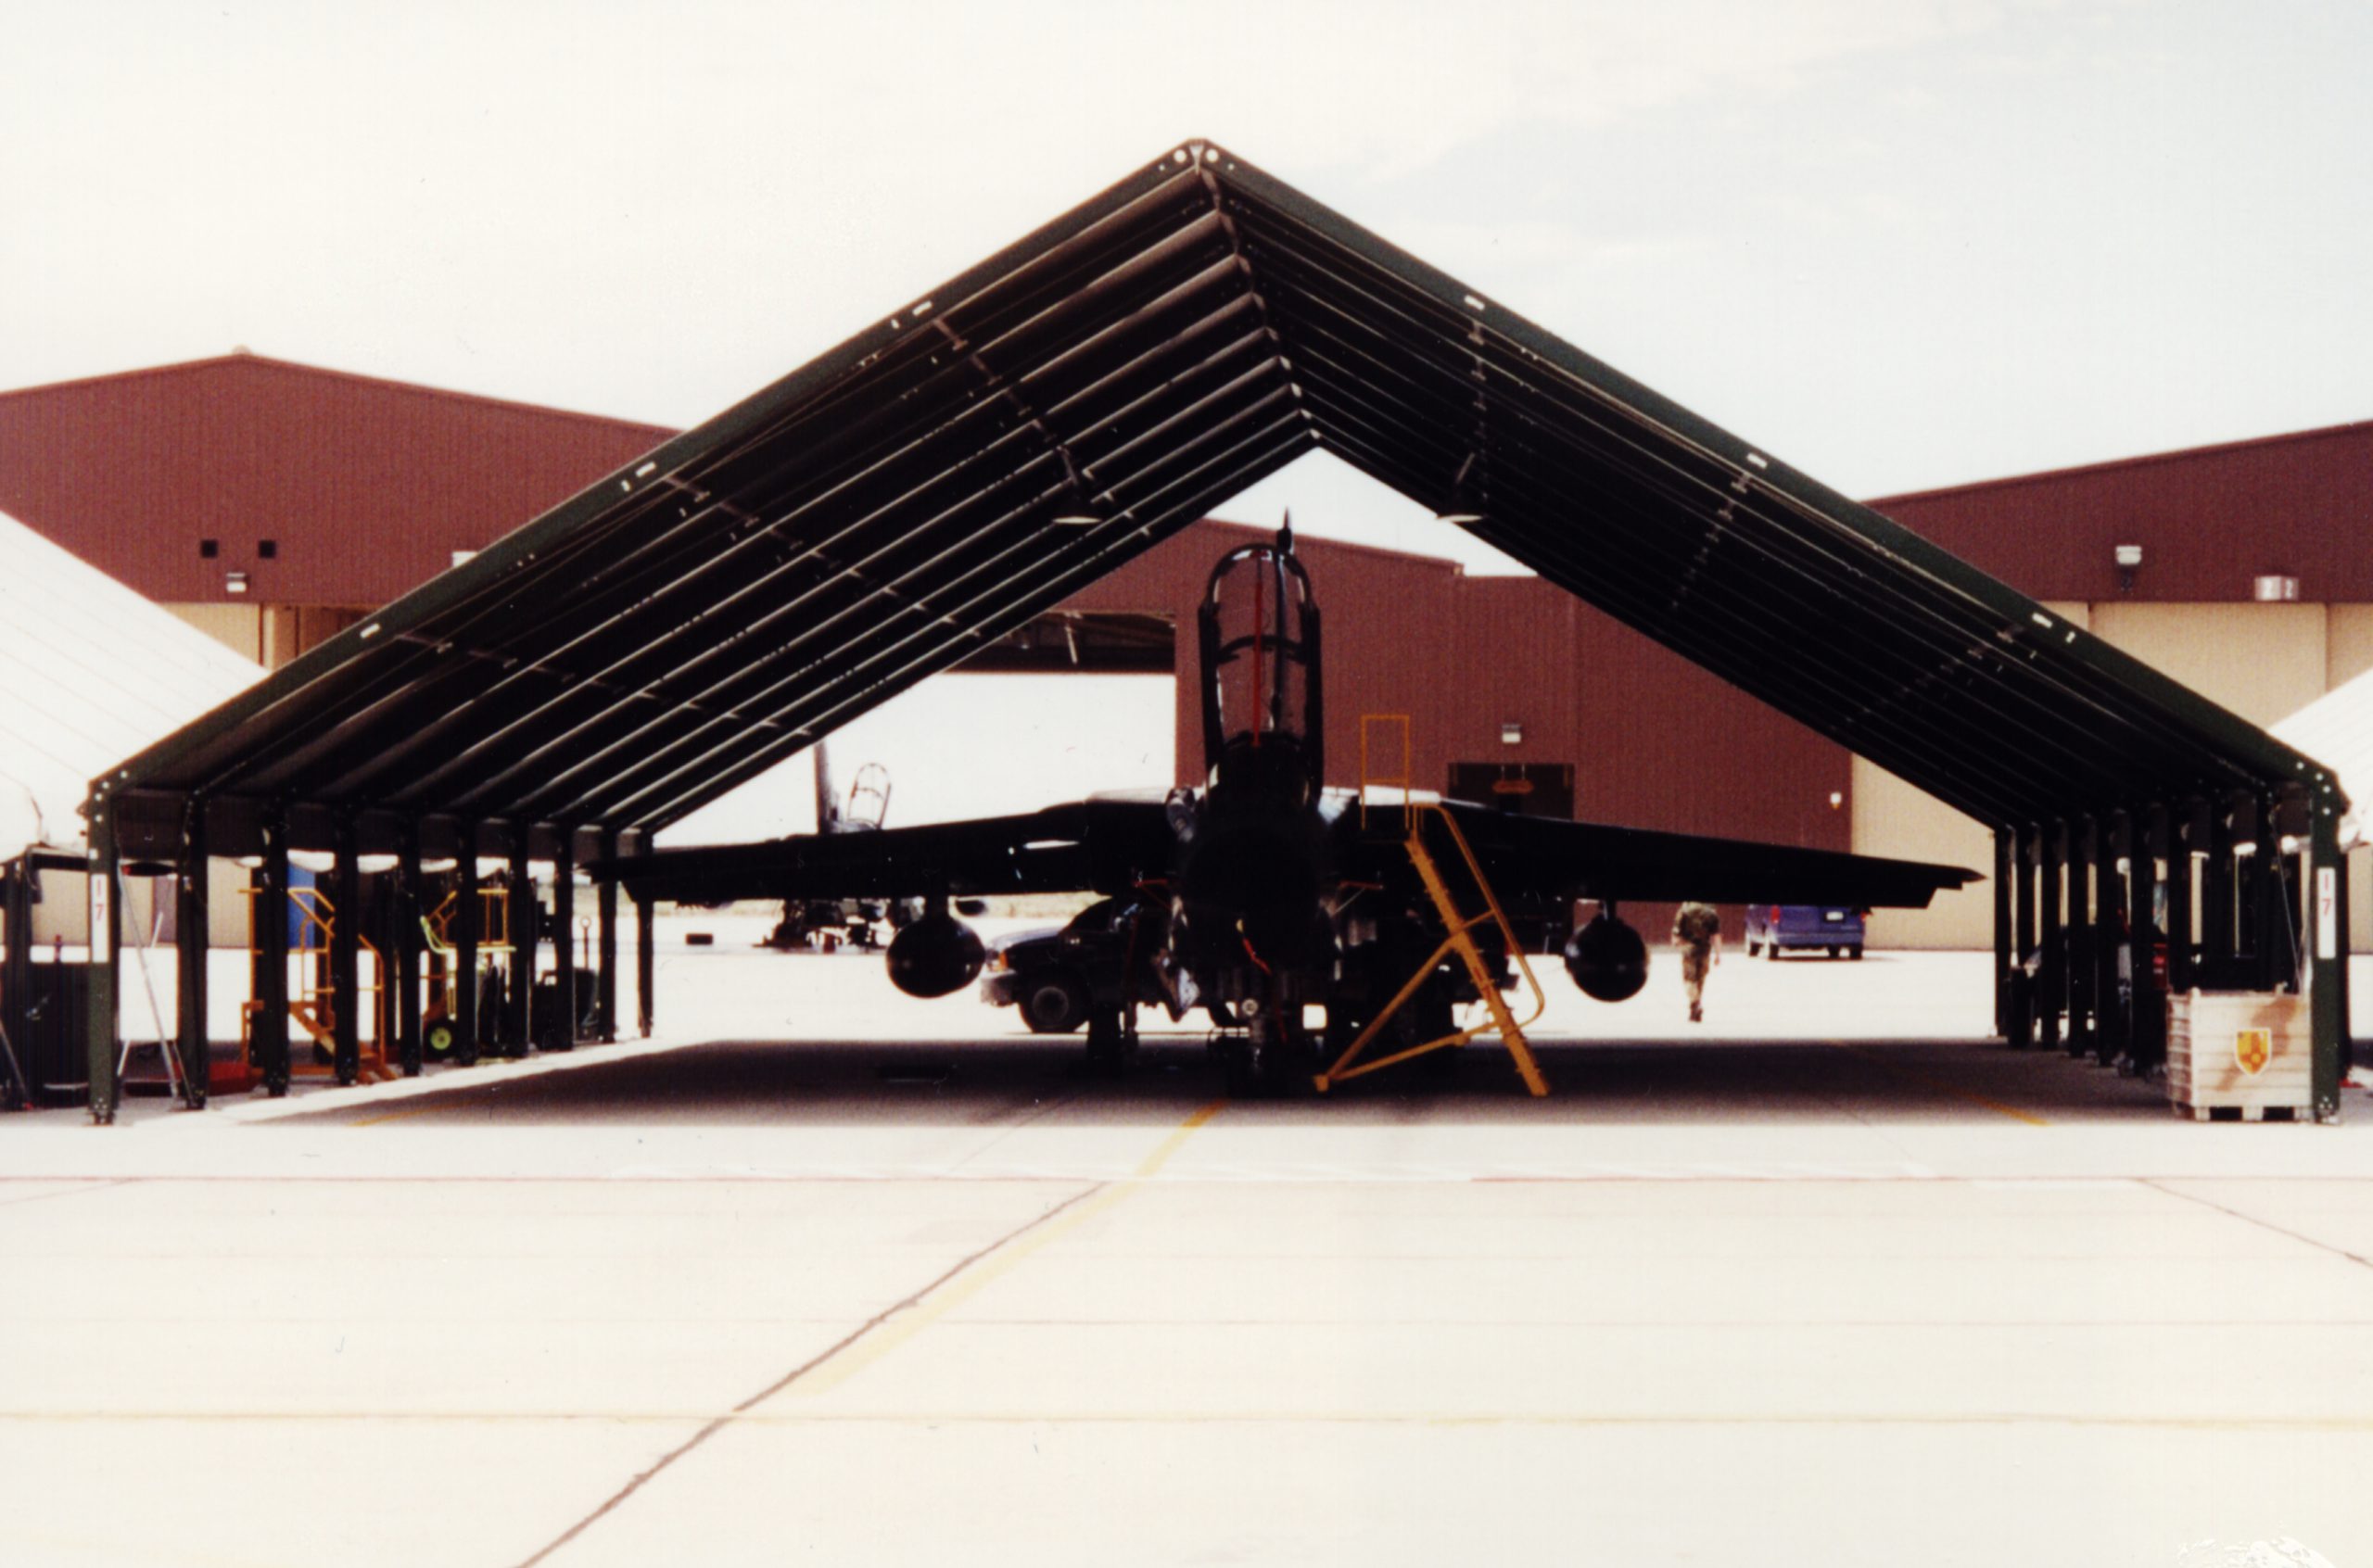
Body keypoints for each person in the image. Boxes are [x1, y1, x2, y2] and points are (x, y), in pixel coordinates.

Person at [1672, 901, 1721, 1023]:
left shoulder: (1684, 910)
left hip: (1689, 948)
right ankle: (1694, 1010)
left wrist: (1677, 942)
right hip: (1705, 949)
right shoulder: (1711, 912)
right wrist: (1718, 954)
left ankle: (1695, 1003)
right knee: (1700, 979)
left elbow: (1676, 933)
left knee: (1689, 980)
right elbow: (1716, 936)